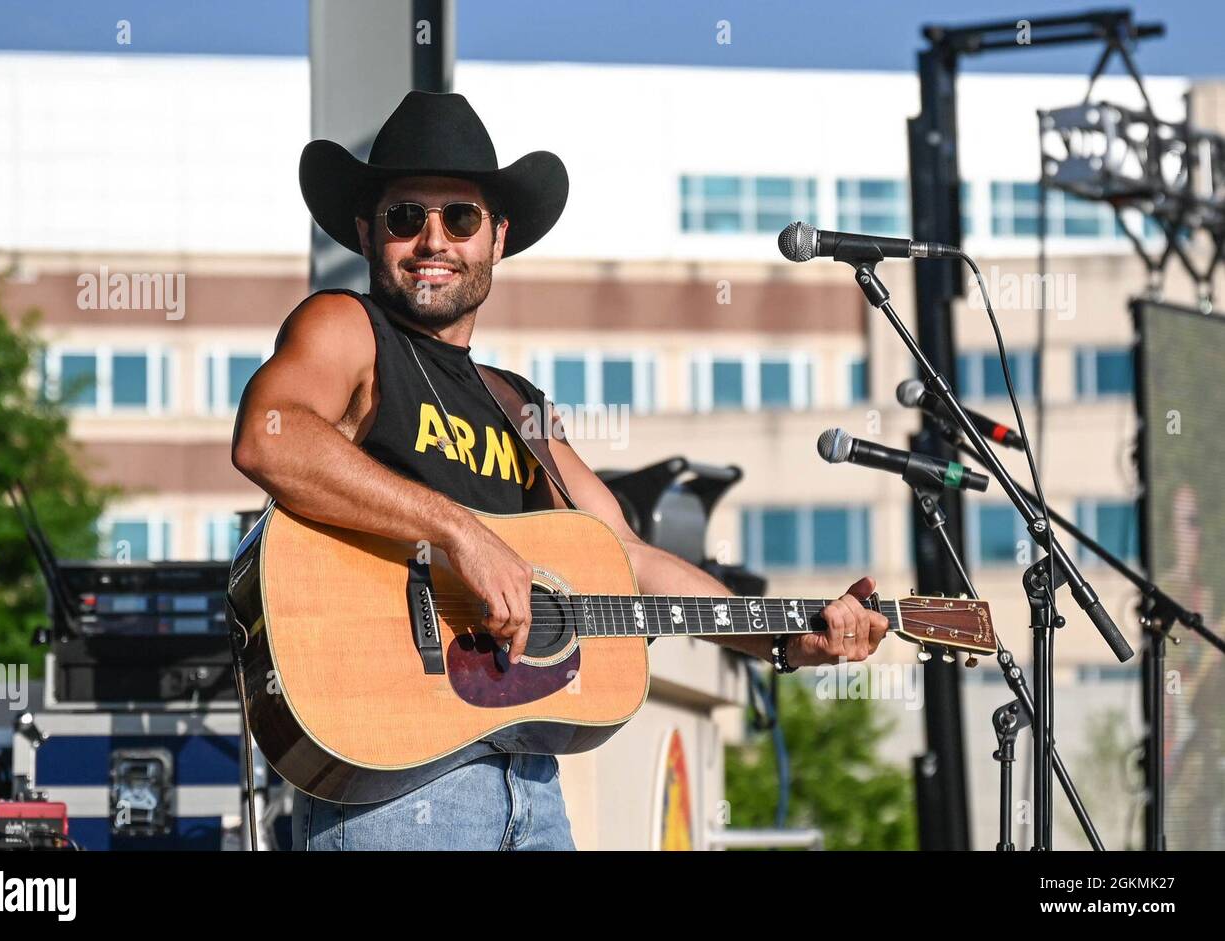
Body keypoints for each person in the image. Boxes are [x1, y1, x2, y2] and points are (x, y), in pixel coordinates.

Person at [231, 90, 890, 851]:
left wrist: (783, 638)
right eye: (406, 217)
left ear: (498, 237)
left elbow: (628, 559)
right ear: (367, 232)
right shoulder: (349, 328)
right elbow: (269, 439)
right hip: (396, 788)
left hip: (533, 787)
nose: (432, 240)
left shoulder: (519, 405)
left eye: (461, 218)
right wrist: (461, 533)